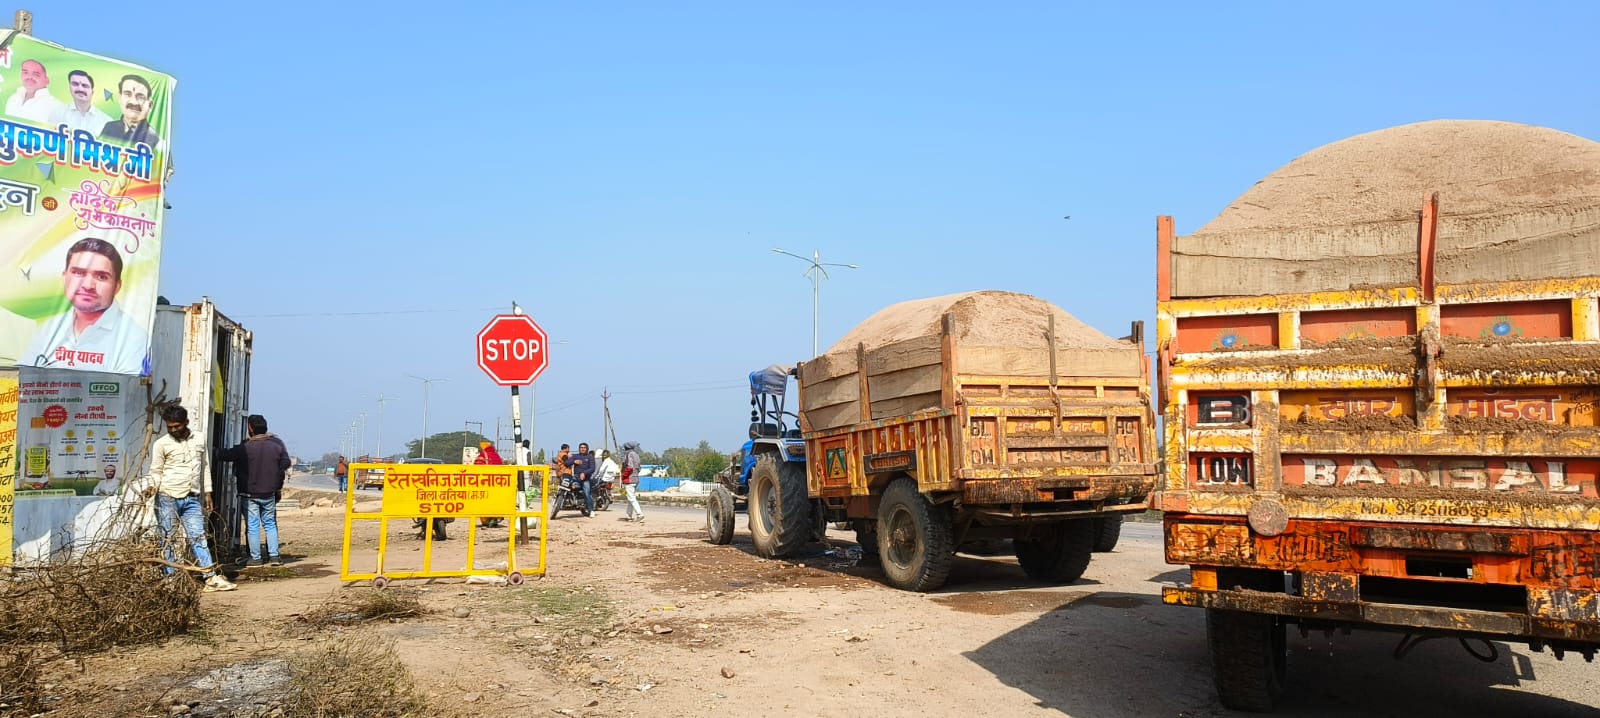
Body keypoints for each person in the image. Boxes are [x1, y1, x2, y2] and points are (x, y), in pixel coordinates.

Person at [23, 238, 150, 375]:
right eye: (79, 273)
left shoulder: (133, 337)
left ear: (117, 286)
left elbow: (127, 390)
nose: (88, 285)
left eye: (101, 277)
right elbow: (22, 376)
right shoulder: (48, 329)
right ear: (64, 277)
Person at [146, 405, 235, 592]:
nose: (173, 430)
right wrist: (152, 487)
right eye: (169, 427)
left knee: (198, 537)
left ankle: (210, 578)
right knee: (167, 539)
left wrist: (208, 492)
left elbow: (205, 467)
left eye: (176, 426)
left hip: (192, 497)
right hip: (167, 497)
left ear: (186, 422)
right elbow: (156, 471)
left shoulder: (199, 439)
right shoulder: (161, 444)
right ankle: (170, 580)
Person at [219, 415, 290, 566]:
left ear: (250, 428)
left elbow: (225, 455)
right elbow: (286, 462)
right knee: (270, 523)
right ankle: (274, 556)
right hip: (269, 492)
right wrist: (276, 481)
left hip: (249, 493)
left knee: (252, 525)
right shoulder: (277, 444)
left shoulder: (245, 447)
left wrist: (210, 450)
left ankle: (256, 558)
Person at [100, 74, 163, 150]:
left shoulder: (154, 139)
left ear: (150, 105)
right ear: (120, 98)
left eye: (140, 97)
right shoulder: (109, 127)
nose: (133, 102)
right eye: (128, 94)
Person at [50, 69, 110, 136]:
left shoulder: (106, 122)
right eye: (75, 84)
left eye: (85, 85)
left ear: (92, 92)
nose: (80, 89)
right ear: (70, 87)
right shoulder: (58, 114)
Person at [5, 59, 63, 124]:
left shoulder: (56, 107)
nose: (29, 77)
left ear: (47, 80)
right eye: (25, 72)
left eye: (36, 74)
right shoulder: (14, 98)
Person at [473, 441, 505, 528]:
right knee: (495, 501)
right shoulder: (496, 456)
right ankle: (495, 518)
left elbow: (476, 469)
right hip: (498, 483)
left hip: (485, 483)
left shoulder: (482, 457)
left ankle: (486, 521)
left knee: (484, 501)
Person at [567, 442, 596, 517]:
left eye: (584, 448)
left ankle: (591, 510)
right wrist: (573, 461)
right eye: (581, 447)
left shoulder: (590, 457)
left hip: (585, 479)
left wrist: (584, 473)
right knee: (567, 486)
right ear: (579, 449)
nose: (582, 449)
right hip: (575, 477)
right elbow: (566, 463)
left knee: (587, 493)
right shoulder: (575, 456)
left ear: (587, 449)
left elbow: (592, 468)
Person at [621, 441, 645, 523]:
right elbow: (639, 468)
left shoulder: (628, 454)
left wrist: (624, 475)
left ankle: (639, 514)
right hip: (636, 478)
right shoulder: (636, 455)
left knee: (631, 498)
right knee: (631, 498)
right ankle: (629, 515)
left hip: (629, 479)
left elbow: (629, 467)